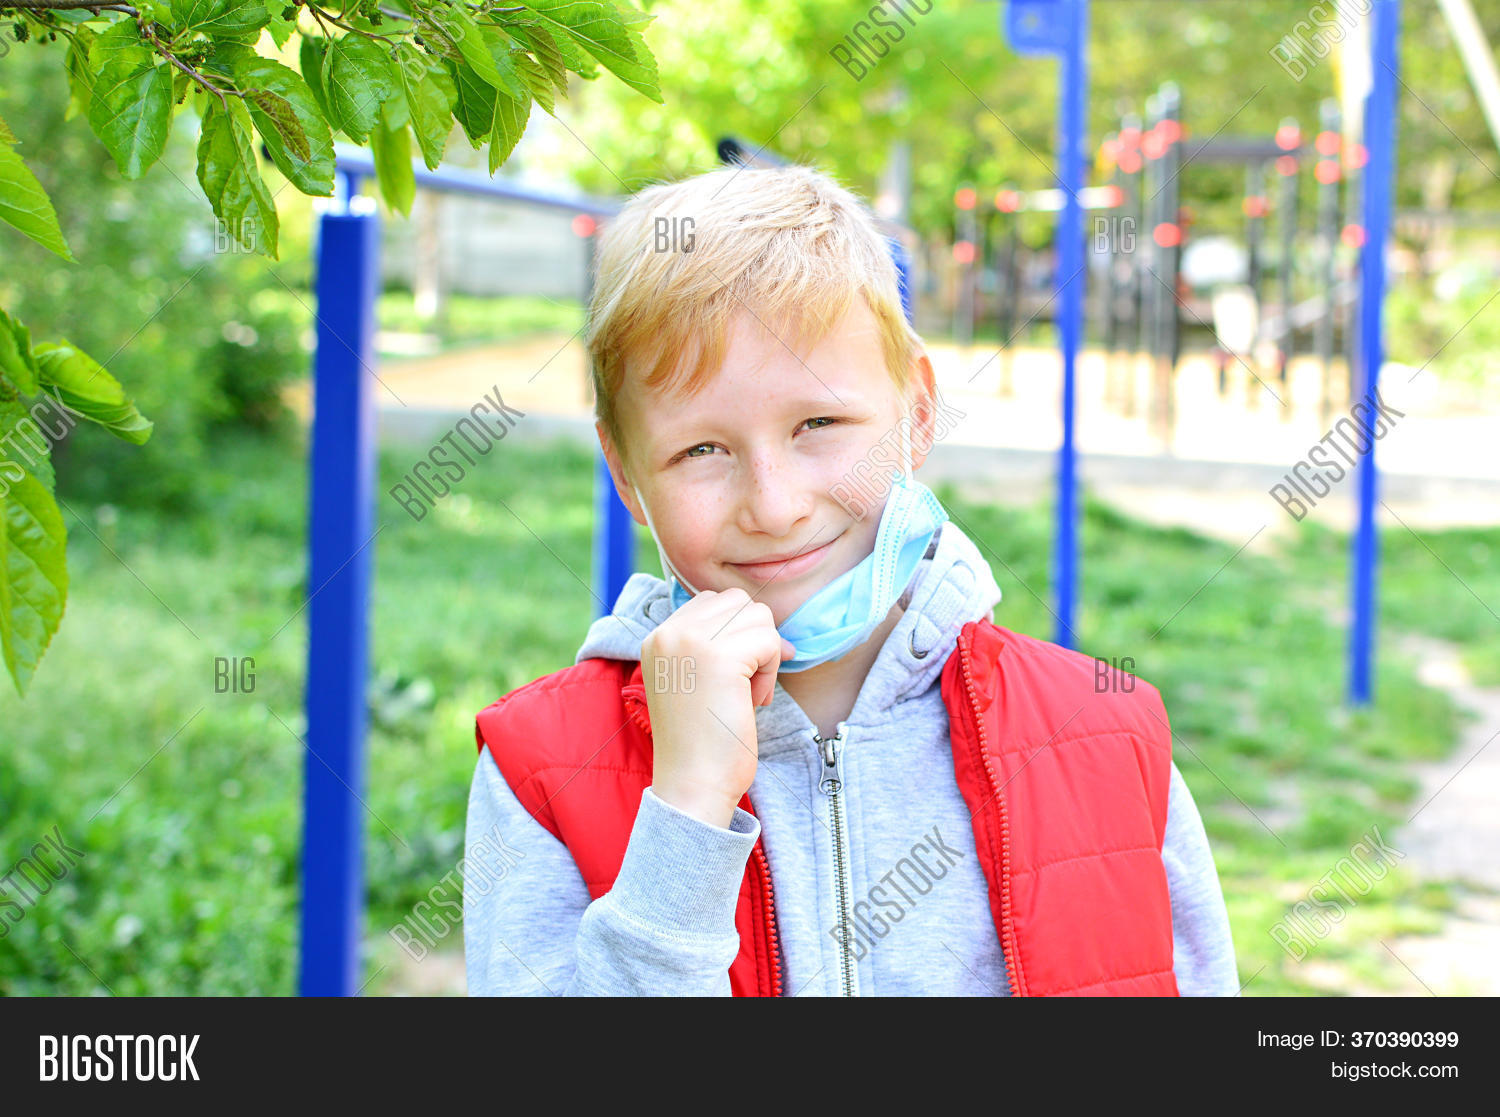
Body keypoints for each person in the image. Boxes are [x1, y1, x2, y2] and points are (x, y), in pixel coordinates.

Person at [463, 163, 1238, 996]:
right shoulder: (542, 766)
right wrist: (686, 808)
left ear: (919, 412)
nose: (776, 504)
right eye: (702, 450)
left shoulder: (1108, 734)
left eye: (820, 424)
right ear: (625, 476)